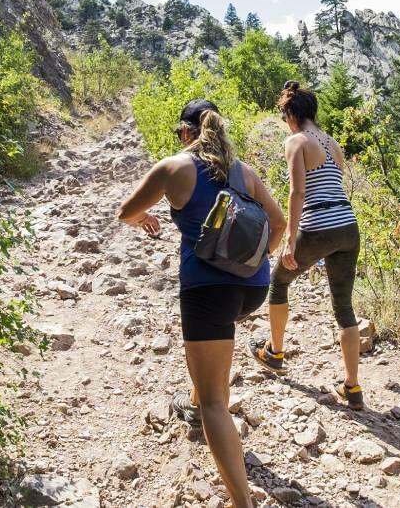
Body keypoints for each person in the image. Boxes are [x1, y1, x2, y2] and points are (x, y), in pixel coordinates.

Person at [118, 99, 286, 508]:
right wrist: (254, 262)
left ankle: (241, 502)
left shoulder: (174, 167)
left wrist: (144, 220)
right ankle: (193, 400)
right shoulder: (243, 172)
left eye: (180, 133)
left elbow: (126, 213)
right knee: (209, 363)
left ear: (187, 132)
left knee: (217, 401)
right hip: (252, 289)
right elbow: (279, 224)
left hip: (207, 292)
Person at [250, 81, 364, 409]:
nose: (284, 121)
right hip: (348, 226)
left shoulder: (296, 142)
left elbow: (299, 192)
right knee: (343, 306)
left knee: (278, 282)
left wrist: (289, 241)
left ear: (293, 114)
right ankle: (352, 388)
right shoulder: (332, 144)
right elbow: (333, 183)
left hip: (317, 227)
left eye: (284, 114)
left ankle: (275, 352)